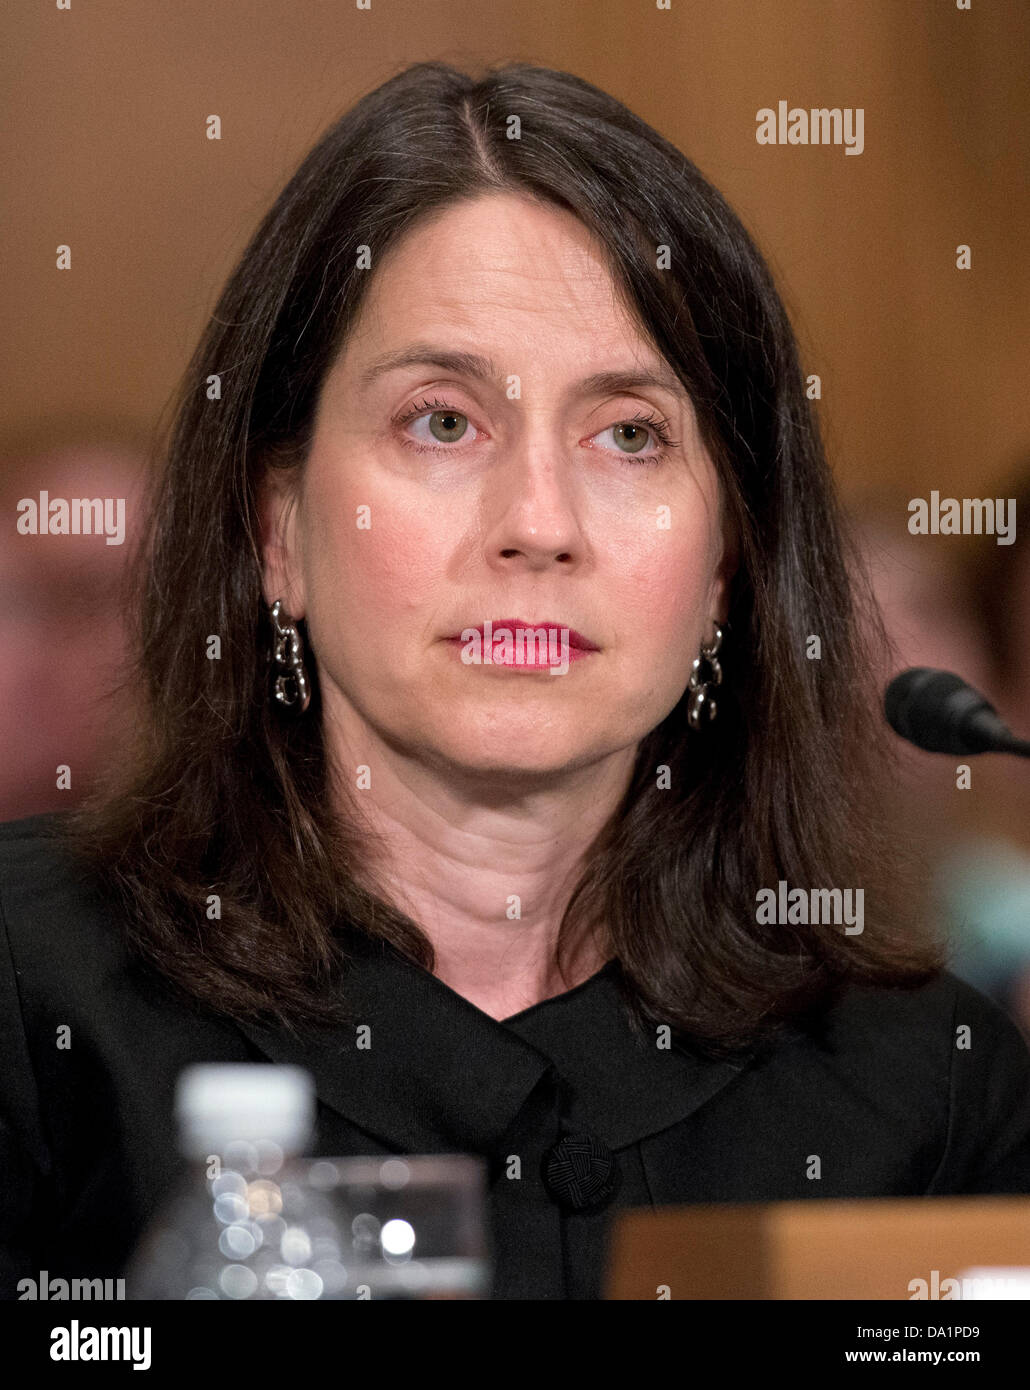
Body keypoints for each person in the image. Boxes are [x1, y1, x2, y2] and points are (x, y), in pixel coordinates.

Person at [2, 60, 1028, 1303]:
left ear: (724, 568)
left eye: (631, 433)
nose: (538, 522)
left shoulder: (929, 1082)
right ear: (276, 528)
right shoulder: (34, 989)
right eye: (442, 421)